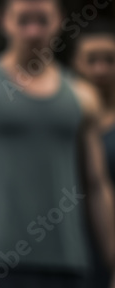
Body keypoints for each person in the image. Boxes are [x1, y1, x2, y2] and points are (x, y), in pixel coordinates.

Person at [0, 0, 115, 288]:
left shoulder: (82, 98)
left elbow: (97, 185)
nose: (33, 30)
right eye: (23, 20)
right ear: (3, 20)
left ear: (59, 20)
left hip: (69, 265)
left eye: (42, 19)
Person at [73, 20, 115, 288]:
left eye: (110, 60)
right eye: (92, 60)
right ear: (76, 63)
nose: (100, 69)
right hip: (69, 248)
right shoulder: (63, 122)